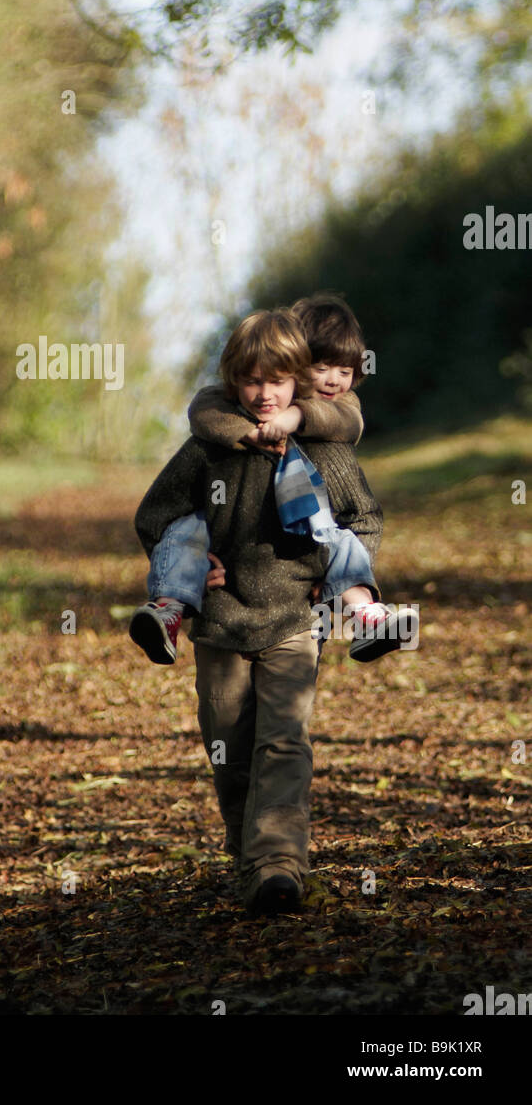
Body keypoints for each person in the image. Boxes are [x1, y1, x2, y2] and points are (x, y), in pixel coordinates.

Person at [132, 307, 384, 914]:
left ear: (297, 381)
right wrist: (196, 564)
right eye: (251, 381)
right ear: (233, 382)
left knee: (285, 741)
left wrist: (335, 576)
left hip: (295, 620)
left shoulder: (323, 450)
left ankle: (278, 865)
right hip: (221, 623)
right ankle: (248, 850)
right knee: (229, 745)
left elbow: (364, 519)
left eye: (277, 380)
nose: (265, 393)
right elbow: (156, 513)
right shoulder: (209, 450)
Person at [130, 293, 416, 665]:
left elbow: (349, 421)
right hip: (227, 566)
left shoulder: (339, 412)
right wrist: (245, 433)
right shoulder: (239, 406)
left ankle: (365, 613)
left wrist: (297, 416)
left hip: (306, 554)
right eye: (321, 368)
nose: (333, 382)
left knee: (340, 538)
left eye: (345, 372)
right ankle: (168, 606)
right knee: (187, 530)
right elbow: (205, 406)